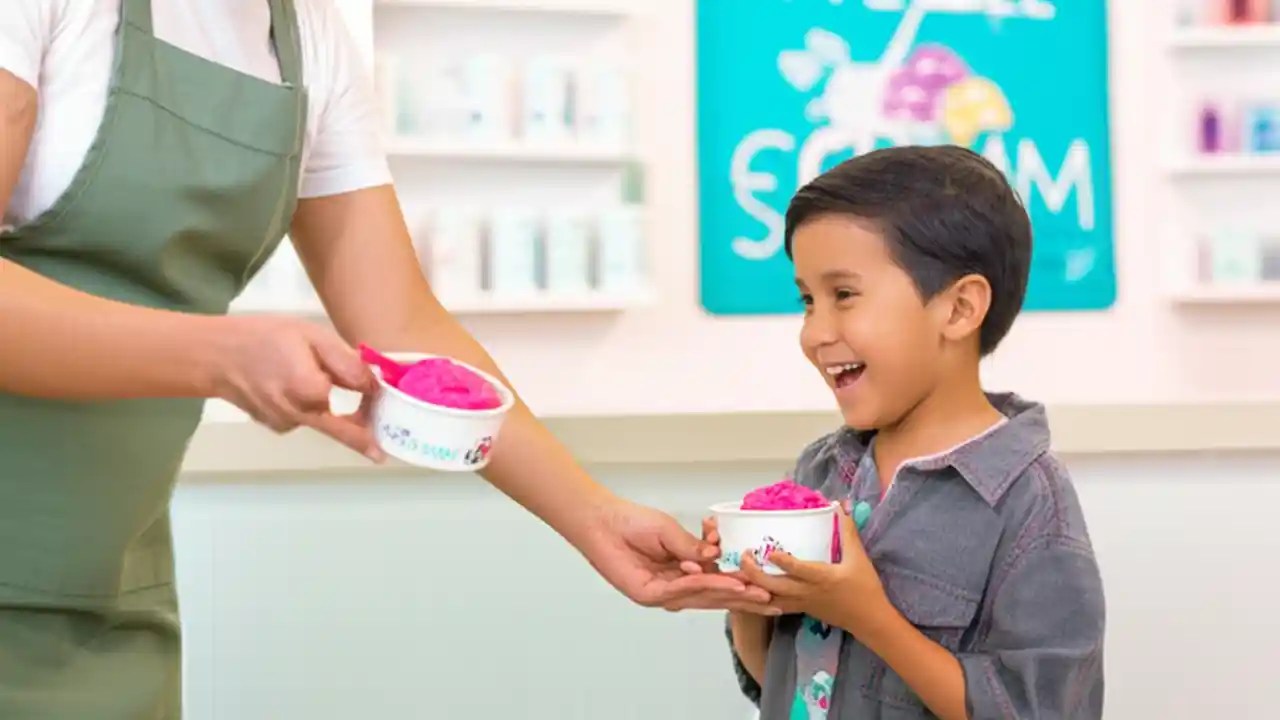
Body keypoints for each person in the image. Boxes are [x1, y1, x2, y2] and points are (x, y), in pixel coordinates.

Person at [0, 1, 765, 716]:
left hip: (108, 588)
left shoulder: (310, 45)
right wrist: (220, 351)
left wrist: (592, 513)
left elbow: (401, 323)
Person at [688, 146, 1106, 719]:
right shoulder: (821, 471)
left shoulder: (1029, 502)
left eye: (844, 296)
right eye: (808, 301)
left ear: (959, 309)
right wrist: (746, 598)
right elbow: (783, 685)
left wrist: (868, 616)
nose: (814, 333)